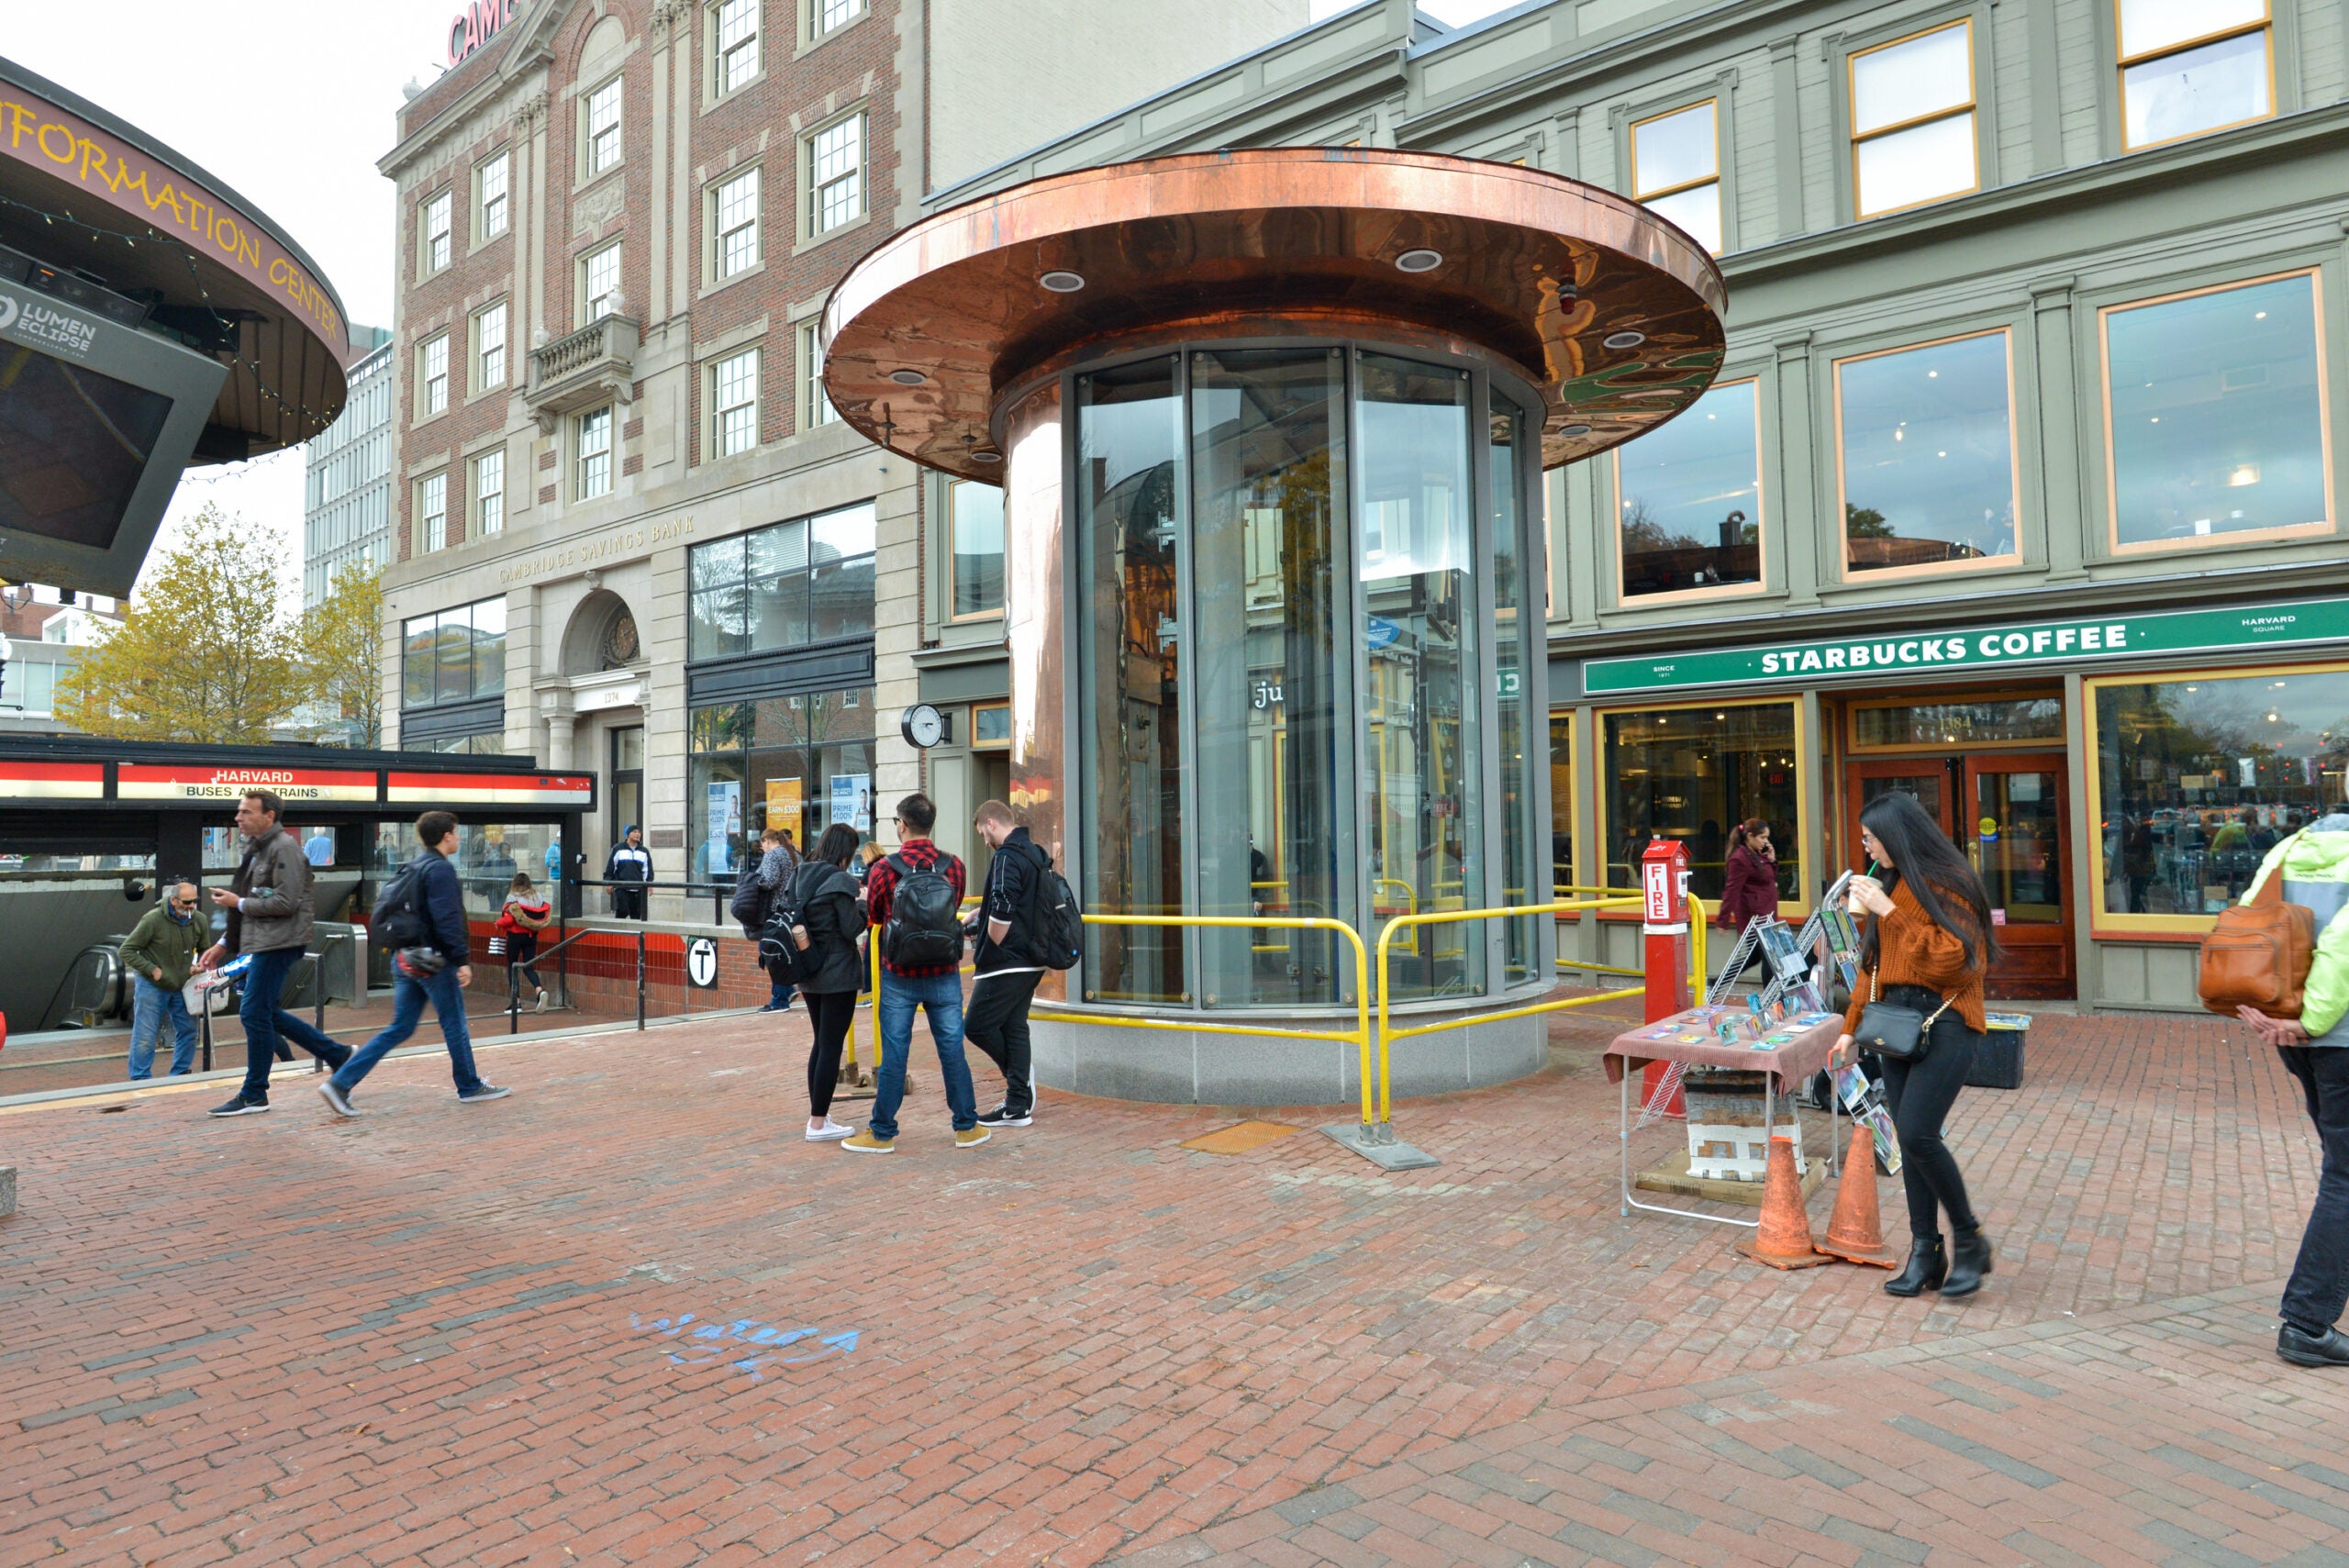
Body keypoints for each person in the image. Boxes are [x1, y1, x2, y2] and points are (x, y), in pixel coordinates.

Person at [1834, 789, 1999, 1299]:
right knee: (1909, 1142)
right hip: (1895, 1021)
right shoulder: (1890, 882)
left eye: (1871, 838)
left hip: (1947, 1021)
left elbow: (1950, 961)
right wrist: (1849, 1027)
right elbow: (1873, 966)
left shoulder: (1950, 884)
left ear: (1897, 835)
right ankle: (1926, 1252)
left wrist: (1889, 911)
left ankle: (1970, 1239)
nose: (1866, 848)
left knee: (1918, 1132)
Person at [2232, 807, 2349, 1368]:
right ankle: (2307, 1322)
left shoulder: (2292, 846)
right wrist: (2315, 1020)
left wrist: (2271, 1012)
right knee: (2345, 1177)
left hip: (2297, 1033)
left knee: (2341, 1167)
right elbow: (2345, 948)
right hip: (2331, 1031)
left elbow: (2251, 928)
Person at [318, 811, 508, 1117]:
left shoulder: (413, 866)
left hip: (405, 958)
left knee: (399, 1028)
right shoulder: (440, 870)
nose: (458, 838)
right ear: (446, 836)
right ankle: (470, 1086)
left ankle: (341, 1083)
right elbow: (448, 920)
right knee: (455, 1024)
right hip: (434, 961)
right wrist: (461, 960)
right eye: (456, 833)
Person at [843, 794, 985, 1152]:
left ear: (902, 824)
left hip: (898, 974)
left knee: (895, 1053)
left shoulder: (884, 869)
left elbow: (874, 917)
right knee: (952, 1049)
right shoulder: (955, 866)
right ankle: (966, 1127)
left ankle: (882, 1133)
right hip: (944, 972)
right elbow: (949, 907)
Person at [199, 790, 351, 1116]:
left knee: (254, 1013)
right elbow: (250, 901)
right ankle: (337, 1055)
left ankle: (255, 1093)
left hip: (280, 943)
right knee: (263, 1012)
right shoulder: (258, 848)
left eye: (246, 812)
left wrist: (235, 903)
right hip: (264, 941)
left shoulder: (284, 849)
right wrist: (223, 945)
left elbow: (285, 902)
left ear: (268, 816)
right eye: (238, 812)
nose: (238, 818)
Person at [966, 799, 1050, 1129]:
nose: (985, 843)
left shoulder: (1006, 856)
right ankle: (1017, 1105)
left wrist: (990, 939)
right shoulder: (1034, 852)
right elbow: (1019, 900)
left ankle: (1021, 1085)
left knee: (976, 1025)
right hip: (1032, 958)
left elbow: (1003, 904)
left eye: (983, 834)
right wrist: (981, 913)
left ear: (991, 823)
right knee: (1014, 1025)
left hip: (1007, 961)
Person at [784, 823, 867, 1141]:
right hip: (838, 974)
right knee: (831, 1046)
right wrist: (862, 901)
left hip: (809, 968)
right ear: (845, 852)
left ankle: (818, 1115)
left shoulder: (800, 874)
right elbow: (851, 928)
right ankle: (818, 1124)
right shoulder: (840, 881)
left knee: (821, 1043)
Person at [118, 879, 206, 1079]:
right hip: (152, 985)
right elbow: (126, 950)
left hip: (183, 984)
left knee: (189, 1031)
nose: (191, 906)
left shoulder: (199, 920)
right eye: (186, 902)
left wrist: (201, 964)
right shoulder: (152, 920)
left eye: (194, 901)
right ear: (173, 900)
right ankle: (140, 1078)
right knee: (146, 1035)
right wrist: (152, 970)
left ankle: (179, 1073)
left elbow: (205, 949)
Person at [740, 826, 799, 1013]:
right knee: (780, 951)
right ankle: (787, 990)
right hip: (790, 910)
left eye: (762, 844)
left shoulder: (773, 855)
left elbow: (769, 880)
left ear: (767, 841)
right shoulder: (793, 854)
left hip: (773, 911)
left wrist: (751, 881)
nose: (762, 849)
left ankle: (780, 999)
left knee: (772, 953)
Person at [496, 872, 553, 1012]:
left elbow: (509, 919)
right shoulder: (538, 896)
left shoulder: (513, 898)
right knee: (528, 966)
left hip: (515, 936)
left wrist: (498, 923)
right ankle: (539, 991)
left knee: (513, 966)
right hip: (531, 936)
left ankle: (516, 1003)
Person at [607, 825, 651, 919]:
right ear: (628, 834)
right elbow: (611, 866)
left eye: (639, 832)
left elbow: (647, 870)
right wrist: (609, 882)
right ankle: (617, 931)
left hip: (638, 888)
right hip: (621, 886)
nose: (637, 834)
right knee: (623, 910)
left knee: (636, 915)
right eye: (634, 832)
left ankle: (634, 934)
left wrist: (649, 884)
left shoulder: (644, 851)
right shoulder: (618, 848)